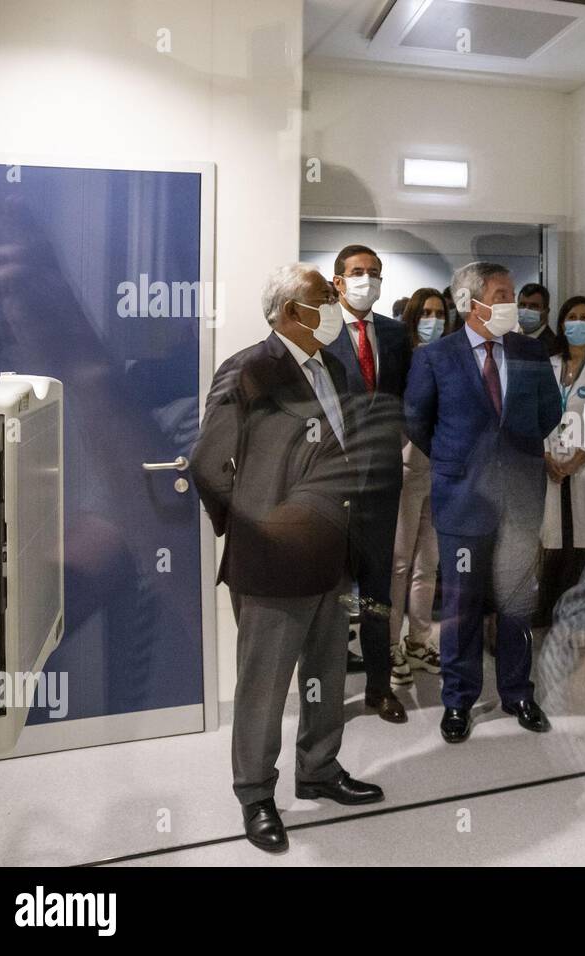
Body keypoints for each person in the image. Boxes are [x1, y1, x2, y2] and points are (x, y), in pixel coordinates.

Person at [192, 264, 384, 853]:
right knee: (264, 687)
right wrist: (252, 526)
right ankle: (255, 794)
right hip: (272, 564)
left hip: (332, 555)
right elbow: (207, 464)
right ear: (286, 312)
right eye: (320, 298)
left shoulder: (334, 366)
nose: (332, 303)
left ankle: (320, 770)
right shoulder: (251, 369)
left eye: (331, 296)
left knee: (325, 674)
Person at [405, 261, 563, 743]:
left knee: (517, 604)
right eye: (501, 294)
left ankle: (518, 692)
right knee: (461, 605)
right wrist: (461, 460)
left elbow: (549, 412)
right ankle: (458, 700)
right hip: (462, 500)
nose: (510, 304)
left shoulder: (530, 352)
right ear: (471, 303)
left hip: (519, 499)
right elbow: (417, 421)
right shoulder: (437, 357)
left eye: (511, 294)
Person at [322, 243, 412, 724]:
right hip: (330, 483)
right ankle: (329, 694)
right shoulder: (318, 332)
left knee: (377, 588)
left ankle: (379, 688)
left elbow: (409, 403)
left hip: (381, 479)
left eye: (374, 272)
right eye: (357, 272)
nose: (367, 280)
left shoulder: (397, 336)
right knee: (333, 590)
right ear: (337, 281)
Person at [537, 295, 585, 627]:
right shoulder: (547, 364)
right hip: (551, 466)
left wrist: (577, 460)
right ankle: (547, 611)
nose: (577, 323)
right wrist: (546, 455)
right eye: (572, 317)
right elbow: (535, 413)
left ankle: (577, 618)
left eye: (584, 317)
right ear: (562, 323)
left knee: (583, 545)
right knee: (552, 543)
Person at [388, 288, 448, 682]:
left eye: (439, 313)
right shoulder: (401, 357)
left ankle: (419, 641)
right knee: (399, 563)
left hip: (441, 471)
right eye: (425, 312)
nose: (433, 319)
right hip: (407, 467)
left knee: (429, 563)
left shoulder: (451, 357)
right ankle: (390, 645)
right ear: (412, 316)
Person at [517, 282, 558, 352]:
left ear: (546, 311)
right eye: (522, 305)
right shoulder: (512, 339)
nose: (526, 310)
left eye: (533, 306)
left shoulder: (554, 346)